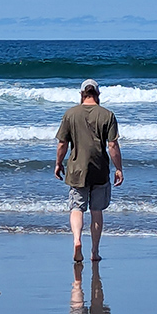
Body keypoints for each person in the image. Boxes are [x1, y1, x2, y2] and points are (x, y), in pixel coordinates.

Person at [55, 79, 123, 263]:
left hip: (77, 169)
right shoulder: (107, 115)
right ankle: (94, 251)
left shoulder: (70, 114)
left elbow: (62, 143)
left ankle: (77, 240)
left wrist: (58, 163)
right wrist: (118, 168)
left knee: (76, 208)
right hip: (99, 169)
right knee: (96, 210)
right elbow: (112, 145)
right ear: (98, 95)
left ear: (82, 94)